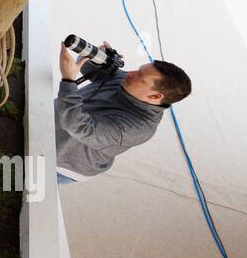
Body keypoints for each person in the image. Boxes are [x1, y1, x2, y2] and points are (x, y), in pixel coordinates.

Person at [55, 42, 192, 184]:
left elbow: (78, 126)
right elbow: (90, 70)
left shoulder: (136, 128)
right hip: (48, 127)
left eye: (140, 76)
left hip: (61, 164)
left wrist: (68, 80)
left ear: (155, 96)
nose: (130, 73)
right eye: (138, 70)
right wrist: (98, 58)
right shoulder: (127, 81)